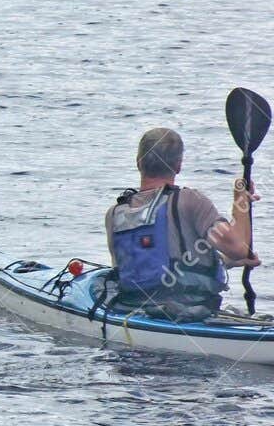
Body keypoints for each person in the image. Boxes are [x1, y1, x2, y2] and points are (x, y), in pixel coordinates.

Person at [103, 127, 258, 322]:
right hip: (189, 314)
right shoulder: (190, 200)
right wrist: (240, 203)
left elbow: (141, 268)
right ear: (178, 165)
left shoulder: (115, 214)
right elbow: (240, 248)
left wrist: (227, 262)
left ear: (138, 163)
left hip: (134, 311)